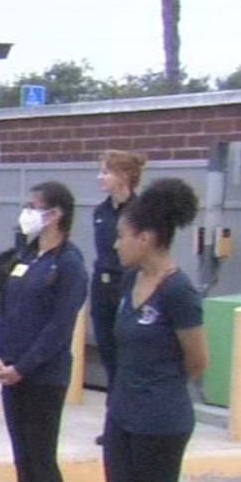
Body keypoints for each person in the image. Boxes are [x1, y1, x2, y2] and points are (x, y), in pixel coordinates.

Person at [104, 179, 206, 482]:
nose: (117, 244)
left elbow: (197, 360)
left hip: (161, 421)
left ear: (145, 238)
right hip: (122, 414)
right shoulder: (131, 280)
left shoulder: (178, 291)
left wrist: (158, 391)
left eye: (122, 237)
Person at [0, 181, 89, 482]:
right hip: (12, 371)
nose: (26, 213)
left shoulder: (69, 263)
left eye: (34, 206)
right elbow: (5, 309)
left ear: (55, 214)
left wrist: (24, 366)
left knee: (41, 456)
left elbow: (59, 326)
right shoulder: (26, 256)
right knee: (23, 457)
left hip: (43, 375)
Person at [91, 150, 146, 389]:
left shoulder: (140, 211)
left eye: (106, 172)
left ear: (123, 175)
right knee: (107, 347)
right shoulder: (100, 212)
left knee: (127, 347)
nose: (99, 177)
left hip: (127, 282)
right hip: (102, 284)